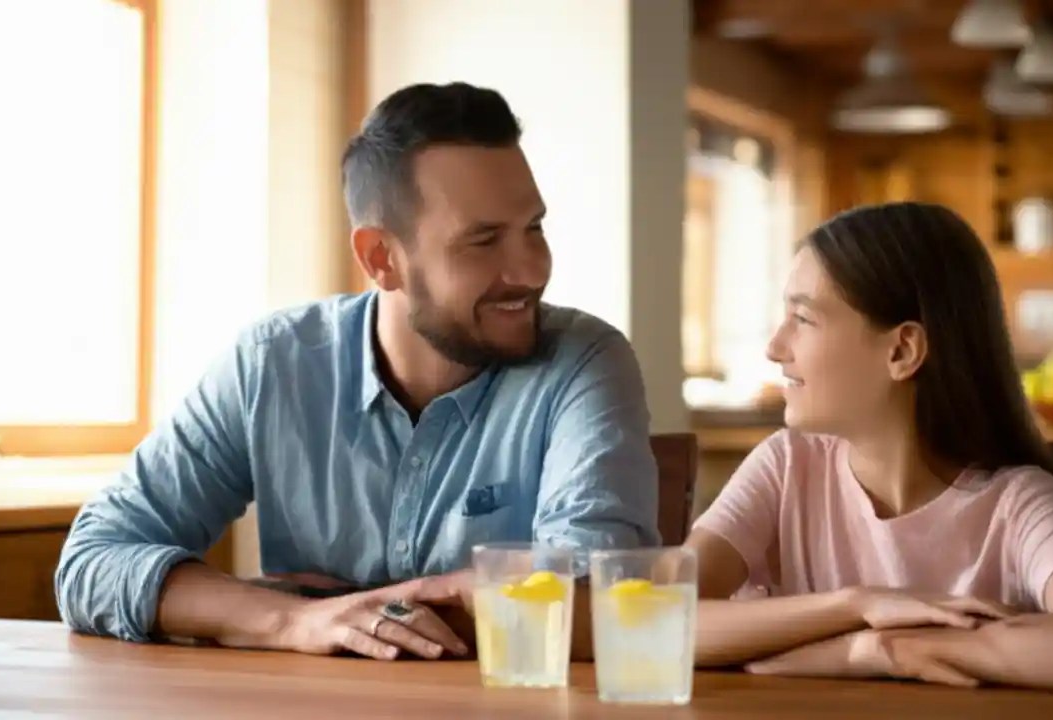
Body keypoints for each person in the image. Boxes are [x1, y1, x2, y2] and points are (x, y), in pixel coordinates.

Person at [55, 82, 660, 662]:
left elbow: (590, 598)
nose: (531, 269)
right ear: (381, 258)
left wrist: (318, 604)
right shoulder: (273, 364)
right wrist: (293, 620)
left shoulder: (584, 361)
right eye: (484, 241)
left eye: (534, 229)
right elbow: (92, 562)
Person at [687, 202, 1053, 691]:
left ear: (902, 351)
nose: (775, 347)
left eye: (803, 318)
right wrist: (856, 606)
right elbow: (659, 620)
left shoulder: (1016, 502)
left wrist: (889, 649)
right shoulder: (785, 465)